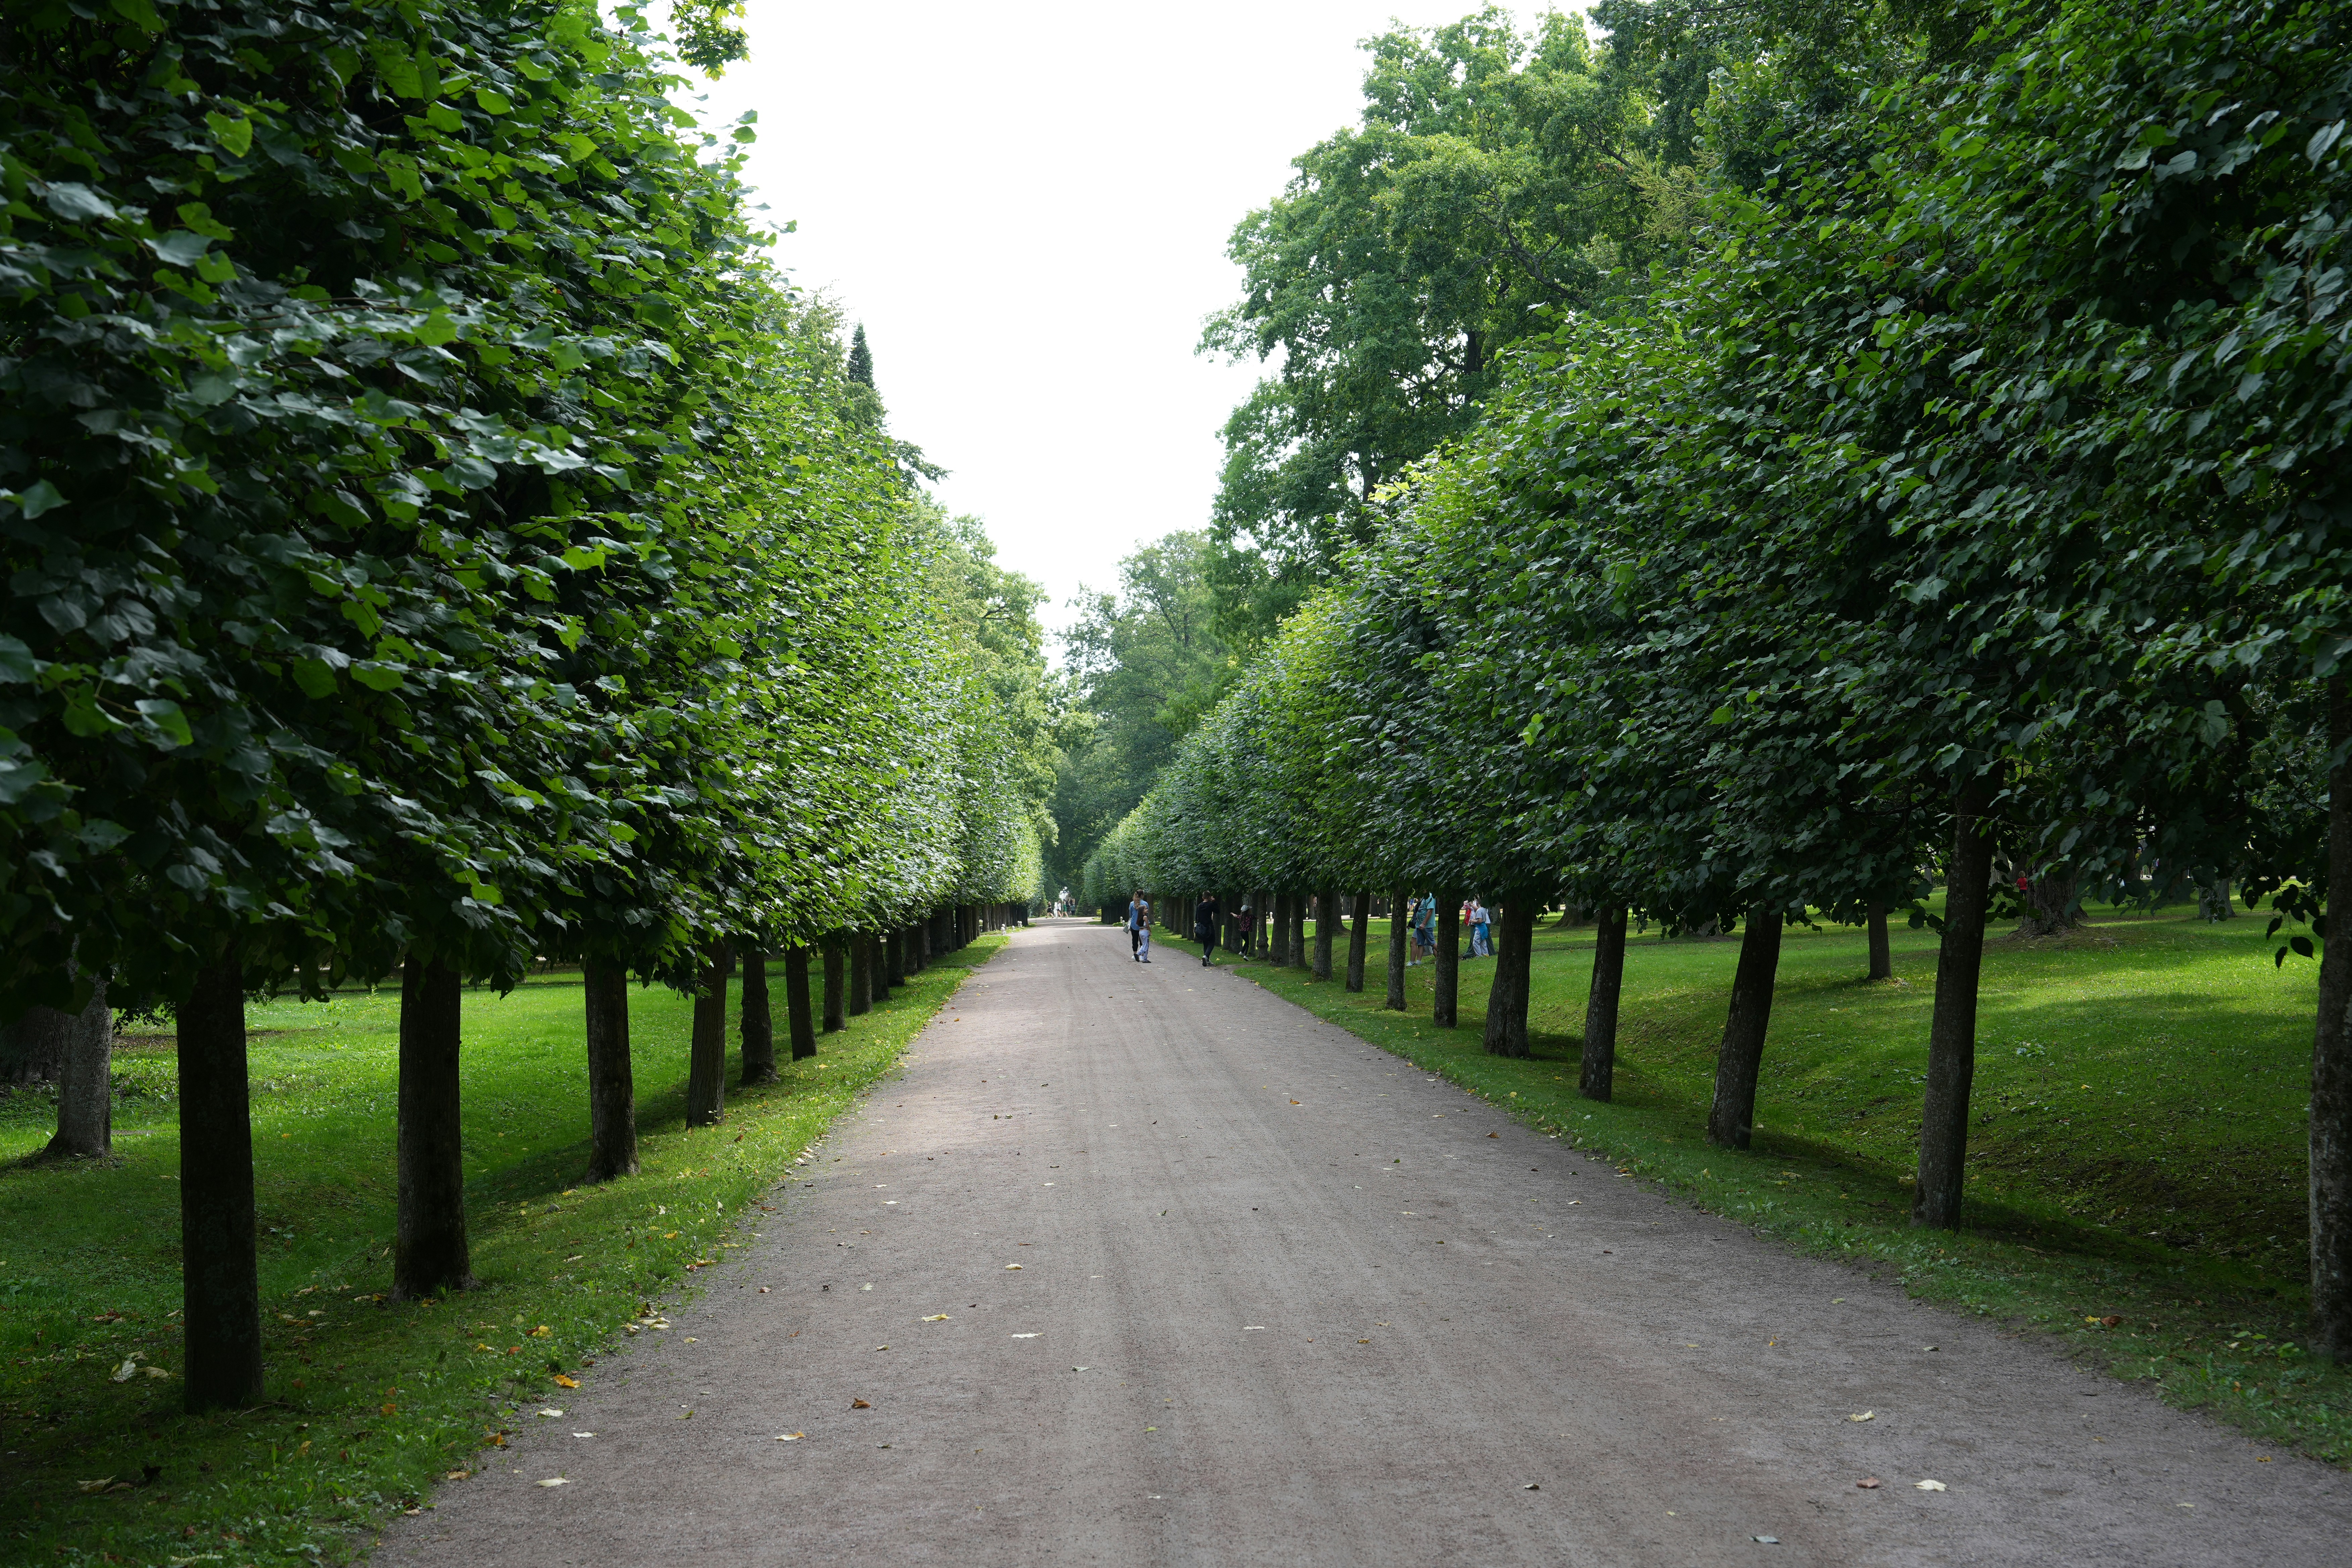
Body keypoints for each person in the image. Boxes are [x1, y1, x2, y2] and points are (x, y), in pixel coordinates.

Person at [1194, 891, 1220, 967]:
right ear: (1209, 897)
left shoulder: (1199, 906)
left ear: (1203, 897)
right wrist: (1214, 902)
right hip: (1209, 926)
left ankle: (1207, 960)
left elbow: (1197, 917)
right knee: (1212, 942)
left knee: (1205, 943)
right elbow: (1218, 911)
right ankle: (1206, 956)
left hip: (1201, 927)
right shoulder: (1210, 905)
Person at [1132, 893, 1153, 962]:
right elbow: (1148, 925)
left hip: (1141, 931)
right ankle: (1138, 954)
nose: (1147, 910)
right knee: (1145, 945)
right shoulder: (1145, 917)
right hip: (1145, 932)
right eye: (1146, 909)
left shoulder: (1139, 918)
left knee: (1144, 945)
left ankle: (1145, 959)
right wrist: (1150, 931)